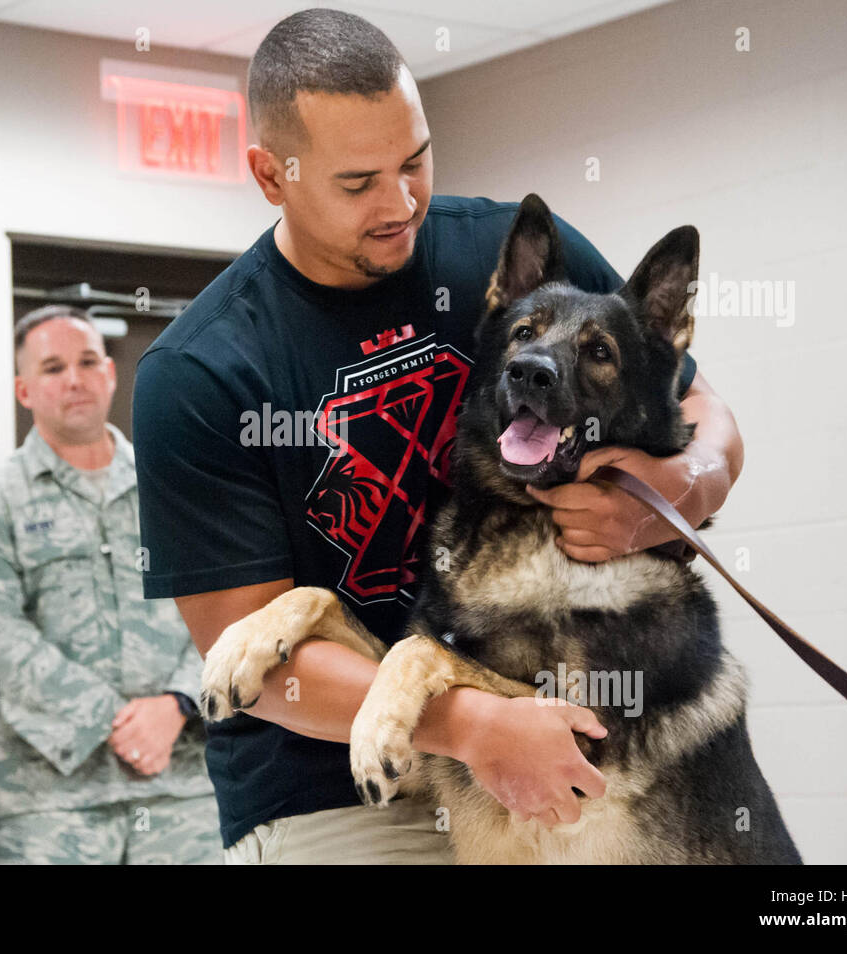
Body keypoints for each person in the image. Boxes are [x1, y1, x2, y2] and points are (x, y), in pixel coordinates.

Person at [132, 9, 747, 864]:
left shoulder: (509, 249)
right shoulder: (199, 373)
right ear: (272, 176)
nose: (400, 204)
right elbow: (259, 671)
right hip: (340, 789)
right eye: (357, 184)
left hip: (553, 718)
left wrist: (674, 498)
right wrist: (479, 726)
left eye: (415, 160)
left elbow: (710, 421)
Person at [0, 306, 217, 864]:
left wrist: (180, 702)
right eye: (52, 367)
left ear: (111, 374)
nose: (74, 379)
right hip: (45, 806)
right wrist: (112, 719)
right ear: (23, 389)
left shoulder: (174, 491)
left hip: (182, 794)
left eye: (88, 361)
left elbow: (227, 606)